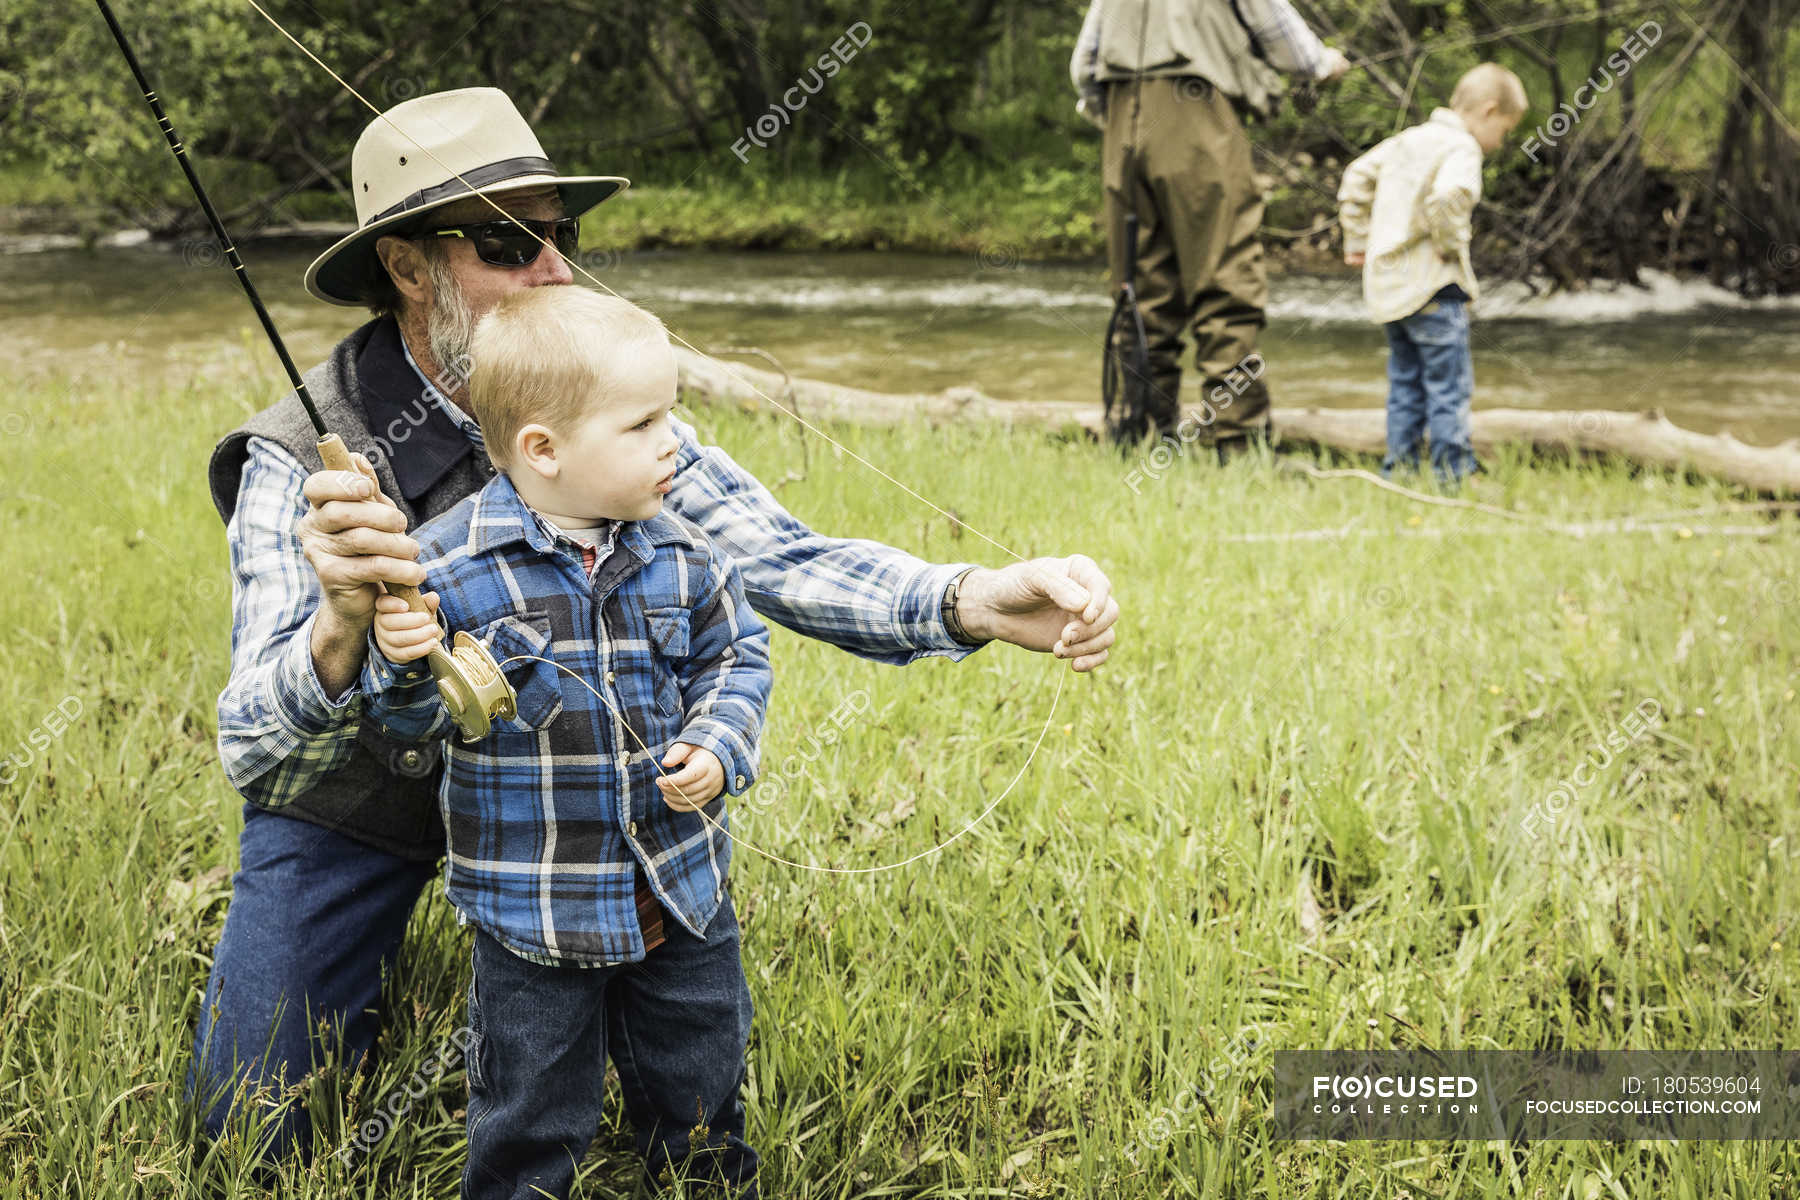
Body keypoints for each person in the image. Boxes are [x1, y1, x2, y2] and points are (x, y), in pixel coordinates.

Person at [191, 86, 1121, 1161]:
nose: (554, 268)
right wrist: (339, 632)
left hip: (578, 806)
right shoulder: (295, 452)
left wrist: (974, 600)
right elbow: (251, 744)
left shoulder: (615, 413)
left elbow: (783, 560)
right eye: (507, 240)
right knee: (245, 1133)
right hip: (358, 805)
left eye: (562, 233)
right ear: (407, 267)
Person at [364, 286, 770, 1197]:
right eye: (643, 423)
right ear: (541, 449)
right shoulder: (444, 572)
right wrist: (398, 663)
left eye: (672, 413)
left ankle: (702, 1175)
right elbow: (405, 727)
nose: (675, 440)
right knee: (530, 1100)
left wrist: (717, 742)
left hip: (680, 887)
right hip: (533, 905)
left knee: (700, 1074)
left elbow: (738, 654)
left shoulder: (686, 555)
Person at [1070, 0, 1351, 451]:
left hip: (1123, 118)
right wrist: (1321, 63)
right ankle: (1235, 441)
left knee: (1138, 288)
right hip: (1196, 105)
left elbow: (1084, 65)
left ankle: (1141, 435)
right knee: (1224, 279)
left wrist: (1118, 115)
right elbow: (1277, 29)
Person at [1337, 63, 1528, 485]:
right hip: (1433, 286)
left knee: (1405, 384)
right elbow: (1447, 199)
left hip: (1390, 288)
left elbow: (1355, 179)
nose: (1502, 141)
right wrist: (1448, 244)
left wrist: (1356, 241)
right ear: (1489, 110)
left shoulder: (1408, 139)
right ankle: (1452, 474)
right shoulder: (1462, 147)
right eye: (1506, 128)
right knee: (1449, 387)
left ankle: (1399, 470)